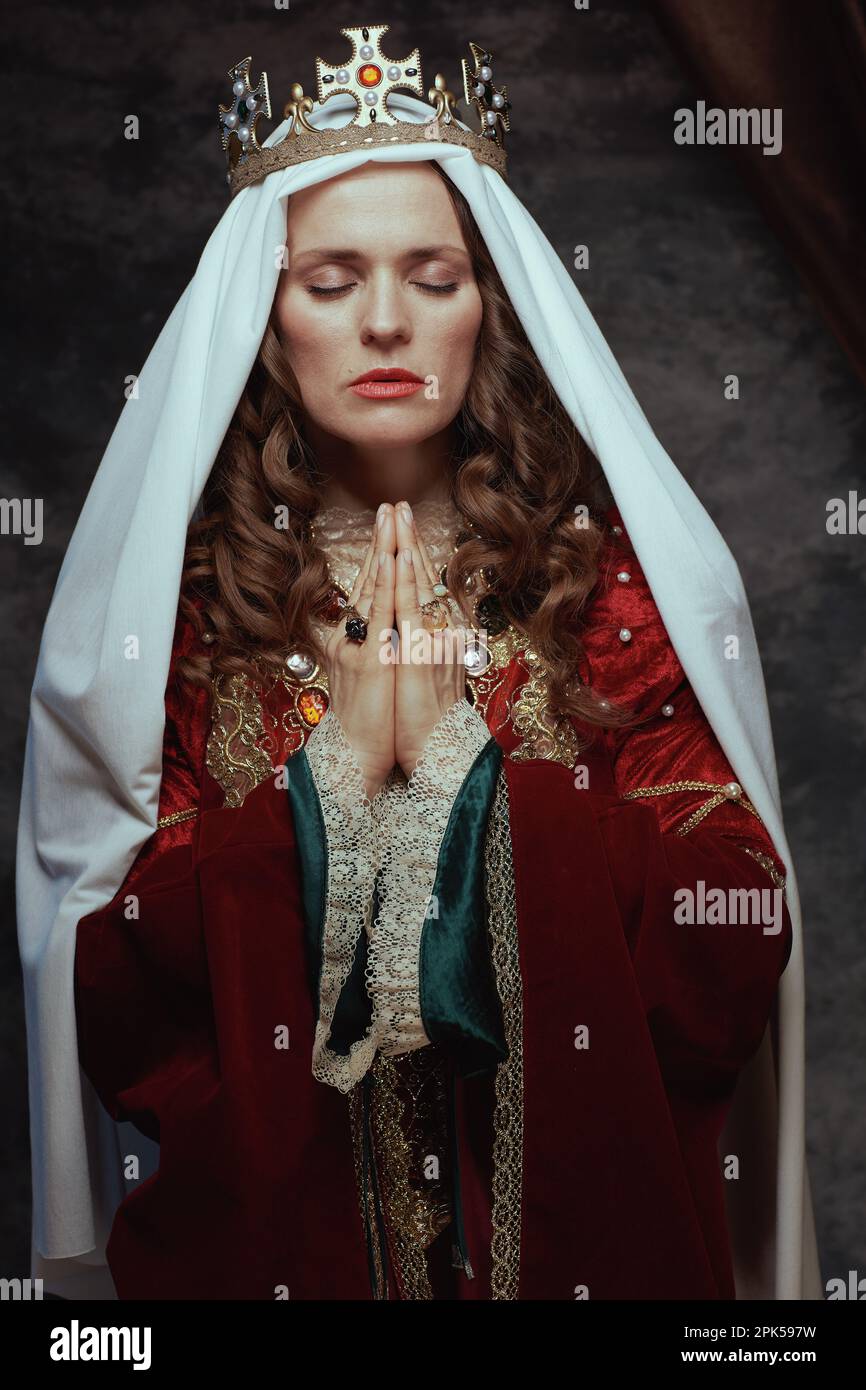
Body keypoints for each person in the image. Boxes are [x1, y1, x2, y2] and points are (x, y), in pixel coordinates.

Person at [16, 24, 822, 1300]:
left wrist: (470, 787)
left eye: (430, 275)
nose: (384, 318)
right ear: (264, 313)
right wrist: (329, 788)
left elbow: (731, 931)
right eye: (330, 280)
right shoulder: (179, 611)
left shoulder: (602, 578)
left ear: (486, 299)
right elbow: (110, 978)